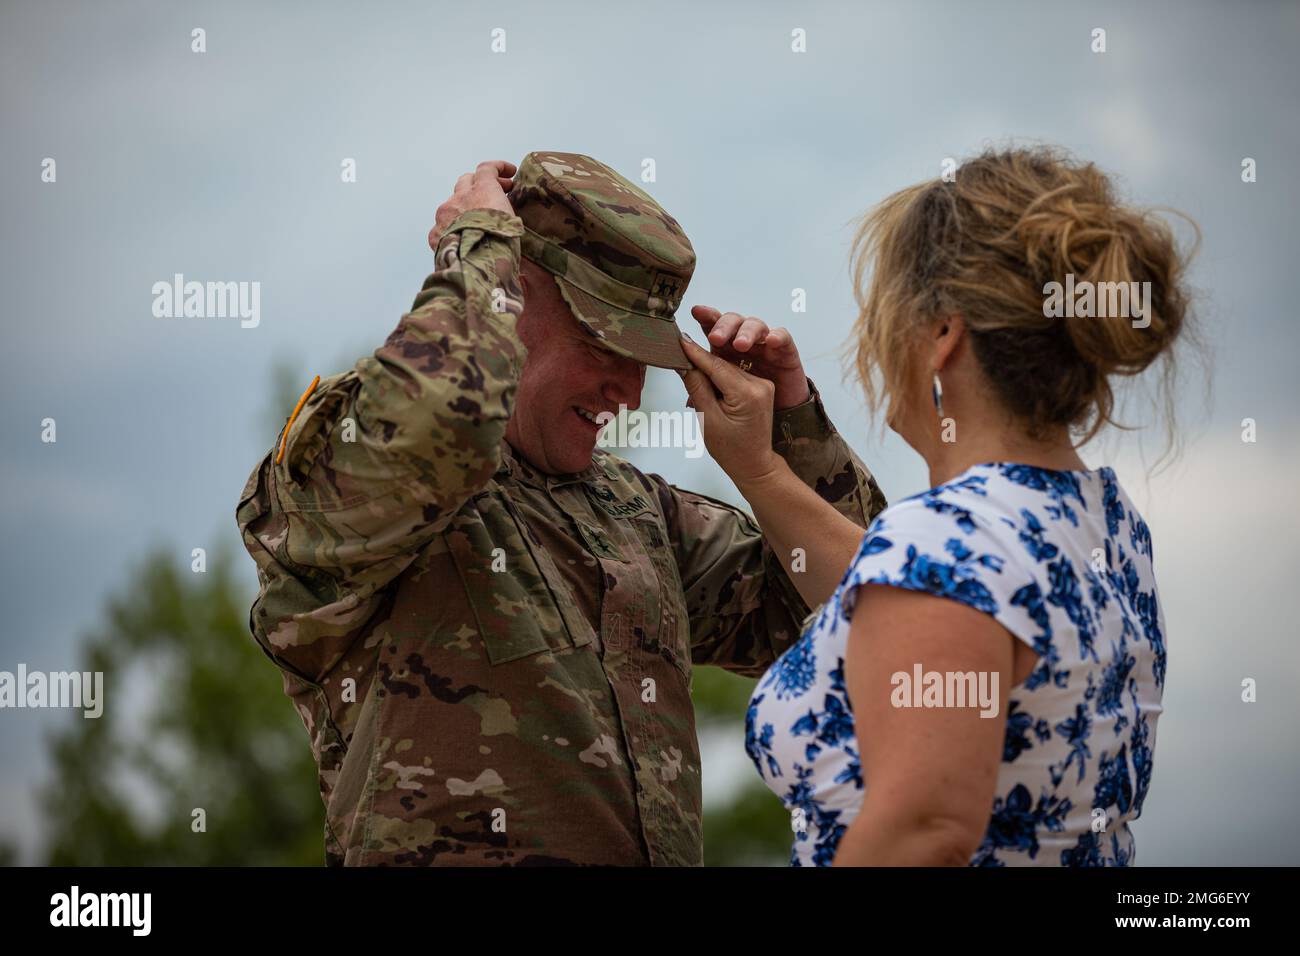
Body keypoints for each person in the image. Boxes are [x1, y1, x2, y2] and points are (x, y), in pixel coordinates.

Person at [235, 152, 887, 866]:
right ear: (511, 295)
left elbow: (856, 619)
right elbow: (429, 421)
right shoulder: (360, 469)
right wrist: (478, 248)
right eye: (602, 345)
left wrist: (788, 439)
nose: (630, 392)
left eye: (645, 356)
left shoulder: (635, 512)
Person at [678, 146, 1194, 866]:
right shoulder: (1102, 522)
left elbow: (921, 836)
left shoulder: (944, 543)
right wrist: (762, 470)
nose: (872, 340)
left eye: (882, 311)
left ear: (943, 334)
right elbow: (918, 604)